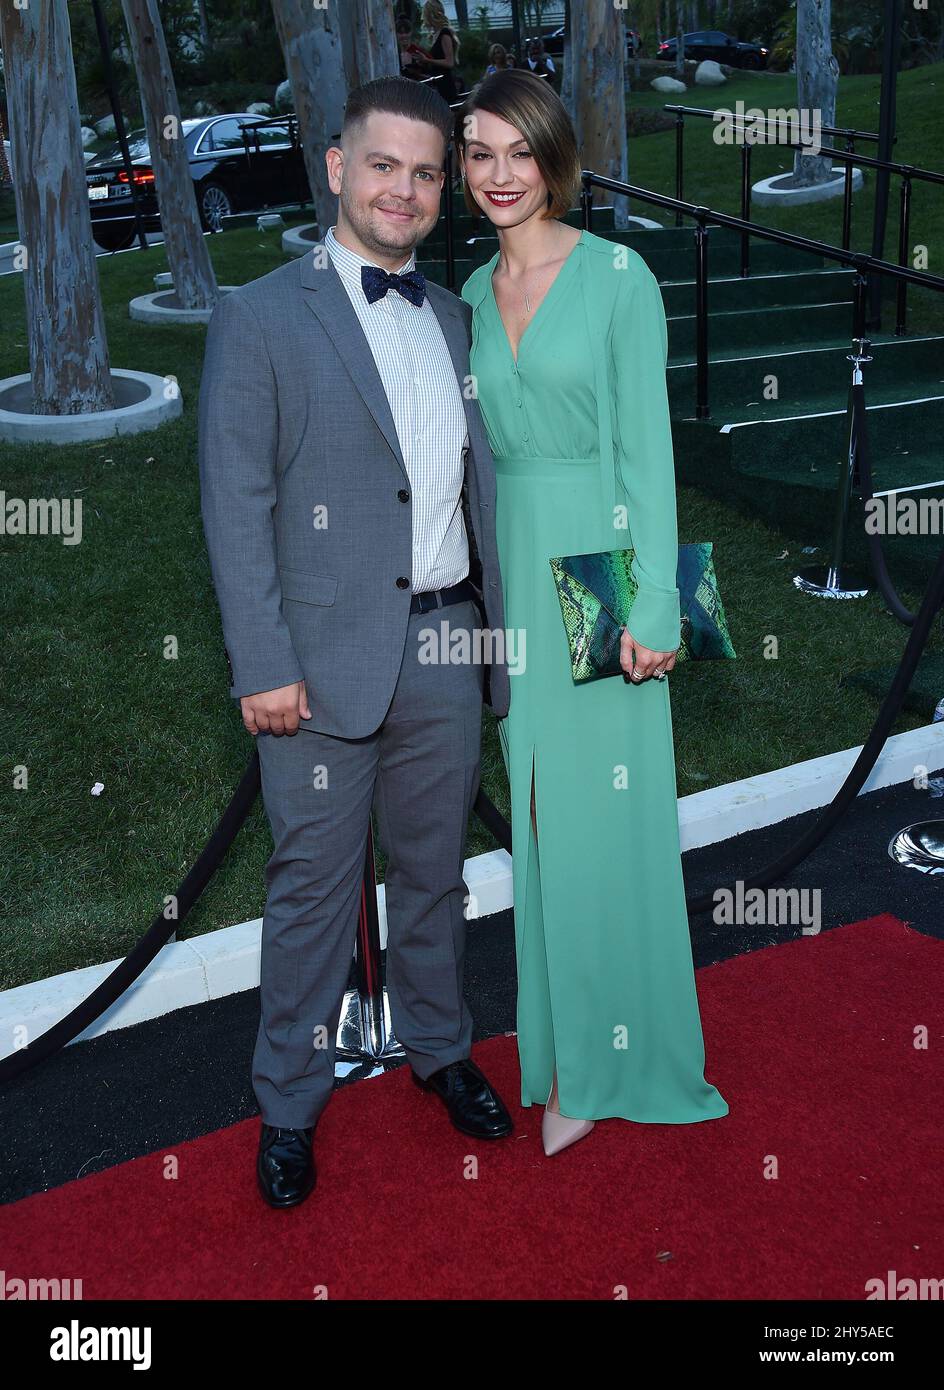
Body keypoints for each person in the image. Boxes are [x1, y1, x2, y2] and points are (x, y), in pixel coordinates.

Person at [198, 76, 514, 1209]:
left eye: (425, 174)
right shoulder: (260, 316)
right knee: (313, 894)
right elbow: (234, 506)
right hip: (317, 663)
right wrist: (263, 663)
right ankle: (287, 1103)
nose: (404, 191)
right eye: (384, 165)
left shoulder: (455, 319)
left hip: (447, 643)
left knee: (434, 875)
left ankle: (440, 1049)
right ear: (337, 169)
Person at [455, 70, 728, 1156]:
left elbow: (648, 451)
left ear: (554, 158)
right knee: (537, 823)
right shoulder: (467, 294)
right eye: (479, 153)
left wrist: (656, 602)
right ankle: (564, 1049)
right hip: (510, 583)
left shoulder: (619, 275)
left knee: (608, 824)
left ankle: (616, 1062)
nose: (500, 174)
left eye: (519, 151)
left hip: (601, 575)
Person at [416, 0, 462, 105]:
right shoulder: (434, 35)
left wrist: (428, 60)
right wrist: (423, 61)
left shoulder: (444, 33)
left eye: (425, 14)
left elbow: (449, 62)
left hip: (444, 84)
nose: (423, 18)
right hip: (436, 83)